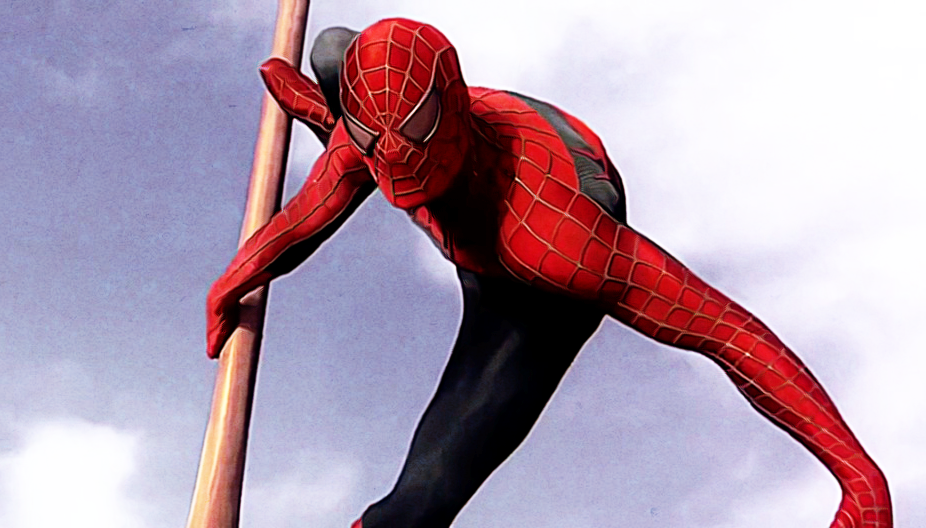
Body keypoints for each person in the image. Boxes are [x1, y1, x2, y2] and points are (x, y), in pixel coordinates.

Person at [205, 18, 891, 528]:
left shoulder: (562, 244)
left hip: (528, 284)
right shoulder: (375, 139)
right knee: (333, 50)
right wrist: (232, 281)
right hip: (450, 179)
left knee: (421, 499)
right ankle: (330, 115)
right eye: (367, 136)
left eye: (409, 130)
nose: (391, 158)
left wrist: (859, 479)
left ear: (446, 108)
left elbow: (724, 332)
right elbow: (303, 220)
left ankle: (335, 119)